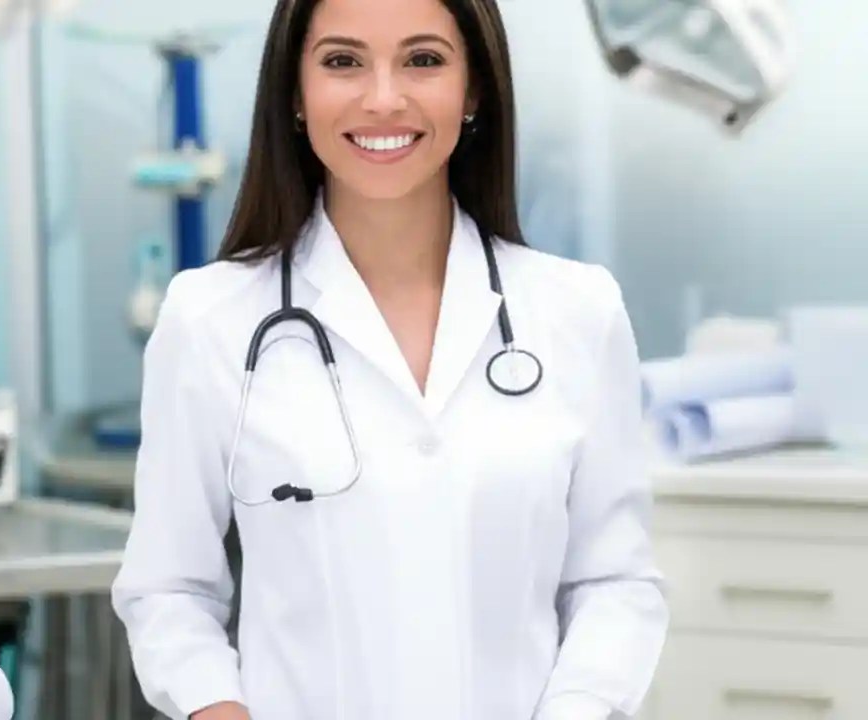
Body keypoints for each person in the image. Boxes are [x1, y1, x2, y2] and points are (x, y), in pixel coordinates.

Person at [111, 0, 669, 718]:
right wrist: (218, 707)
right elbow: (169, 589)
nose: (382, 98)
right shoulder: (210, 319)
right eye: (343, 61)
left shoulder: (577, 312)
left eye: (423, 60)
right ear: (294, 93)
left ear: (473, 90)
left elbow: (613, 582)